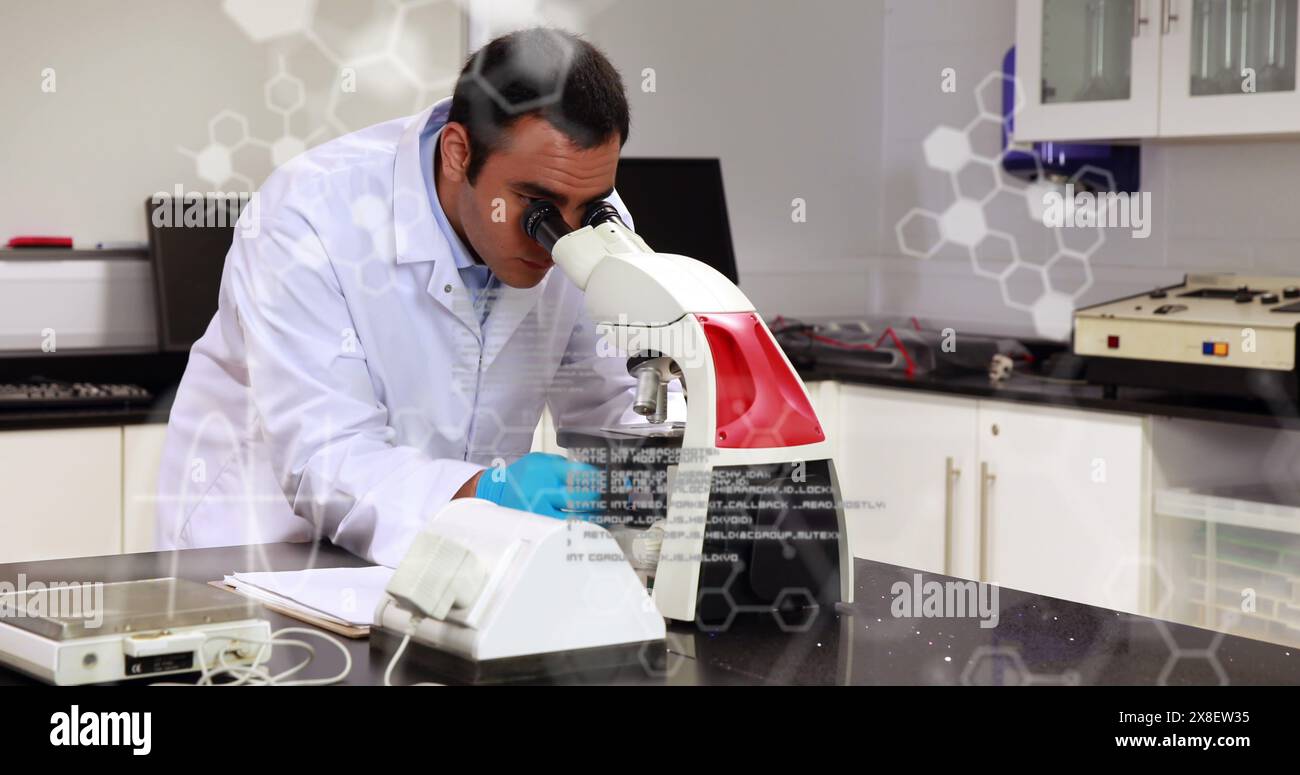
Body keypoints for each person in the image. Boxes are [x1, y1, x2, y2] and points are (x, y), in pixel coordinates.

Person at [157, 28, 641, 566]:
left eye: (588, 206)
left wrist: (670, 474)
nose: (561, 240)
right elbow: (326, 457)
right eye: (535, 204)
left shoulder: (577, 200)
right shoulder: (308, 214)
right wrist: (492, 491)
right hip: (264, 556)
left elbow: (615, 404)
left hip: (463, 559)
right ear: (459, 152)